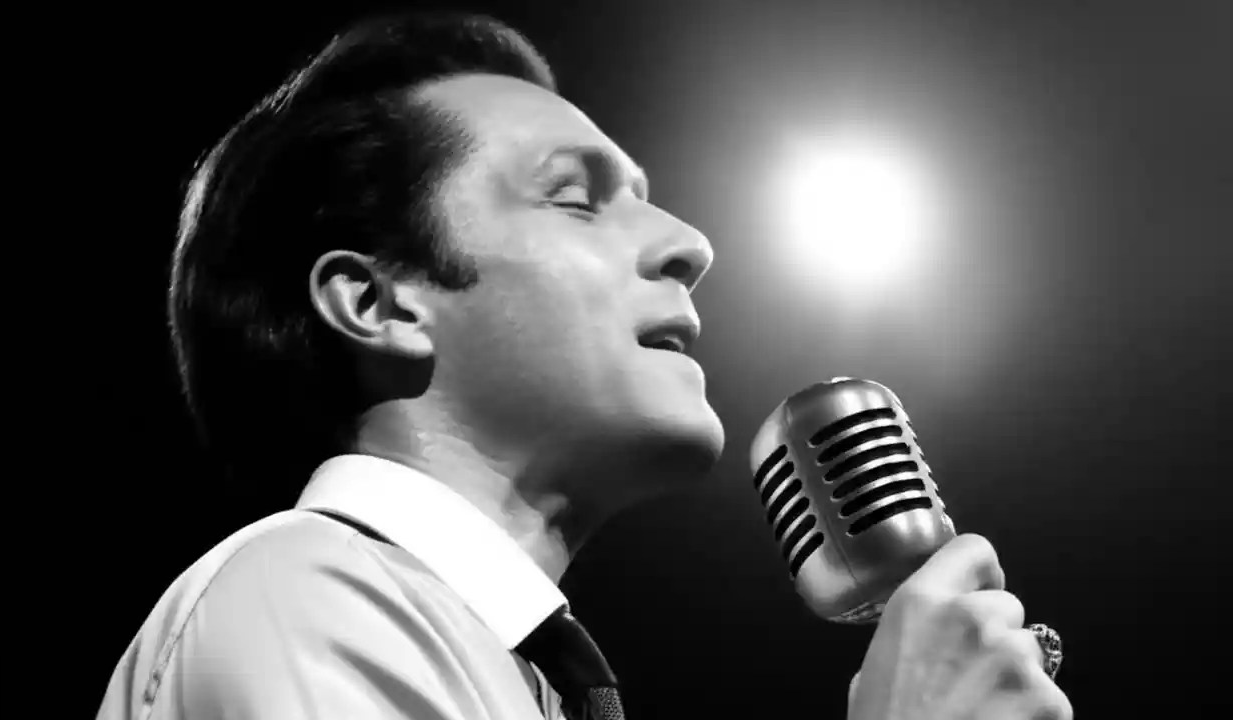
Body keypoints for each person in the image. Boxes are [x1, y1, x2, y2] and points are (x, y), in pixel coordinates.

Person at [96, 11, 1073, 720]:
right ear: (380, 304)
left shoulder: (506, 672)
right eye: (575, 198)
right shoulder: (305, 593)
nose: (689, 242)